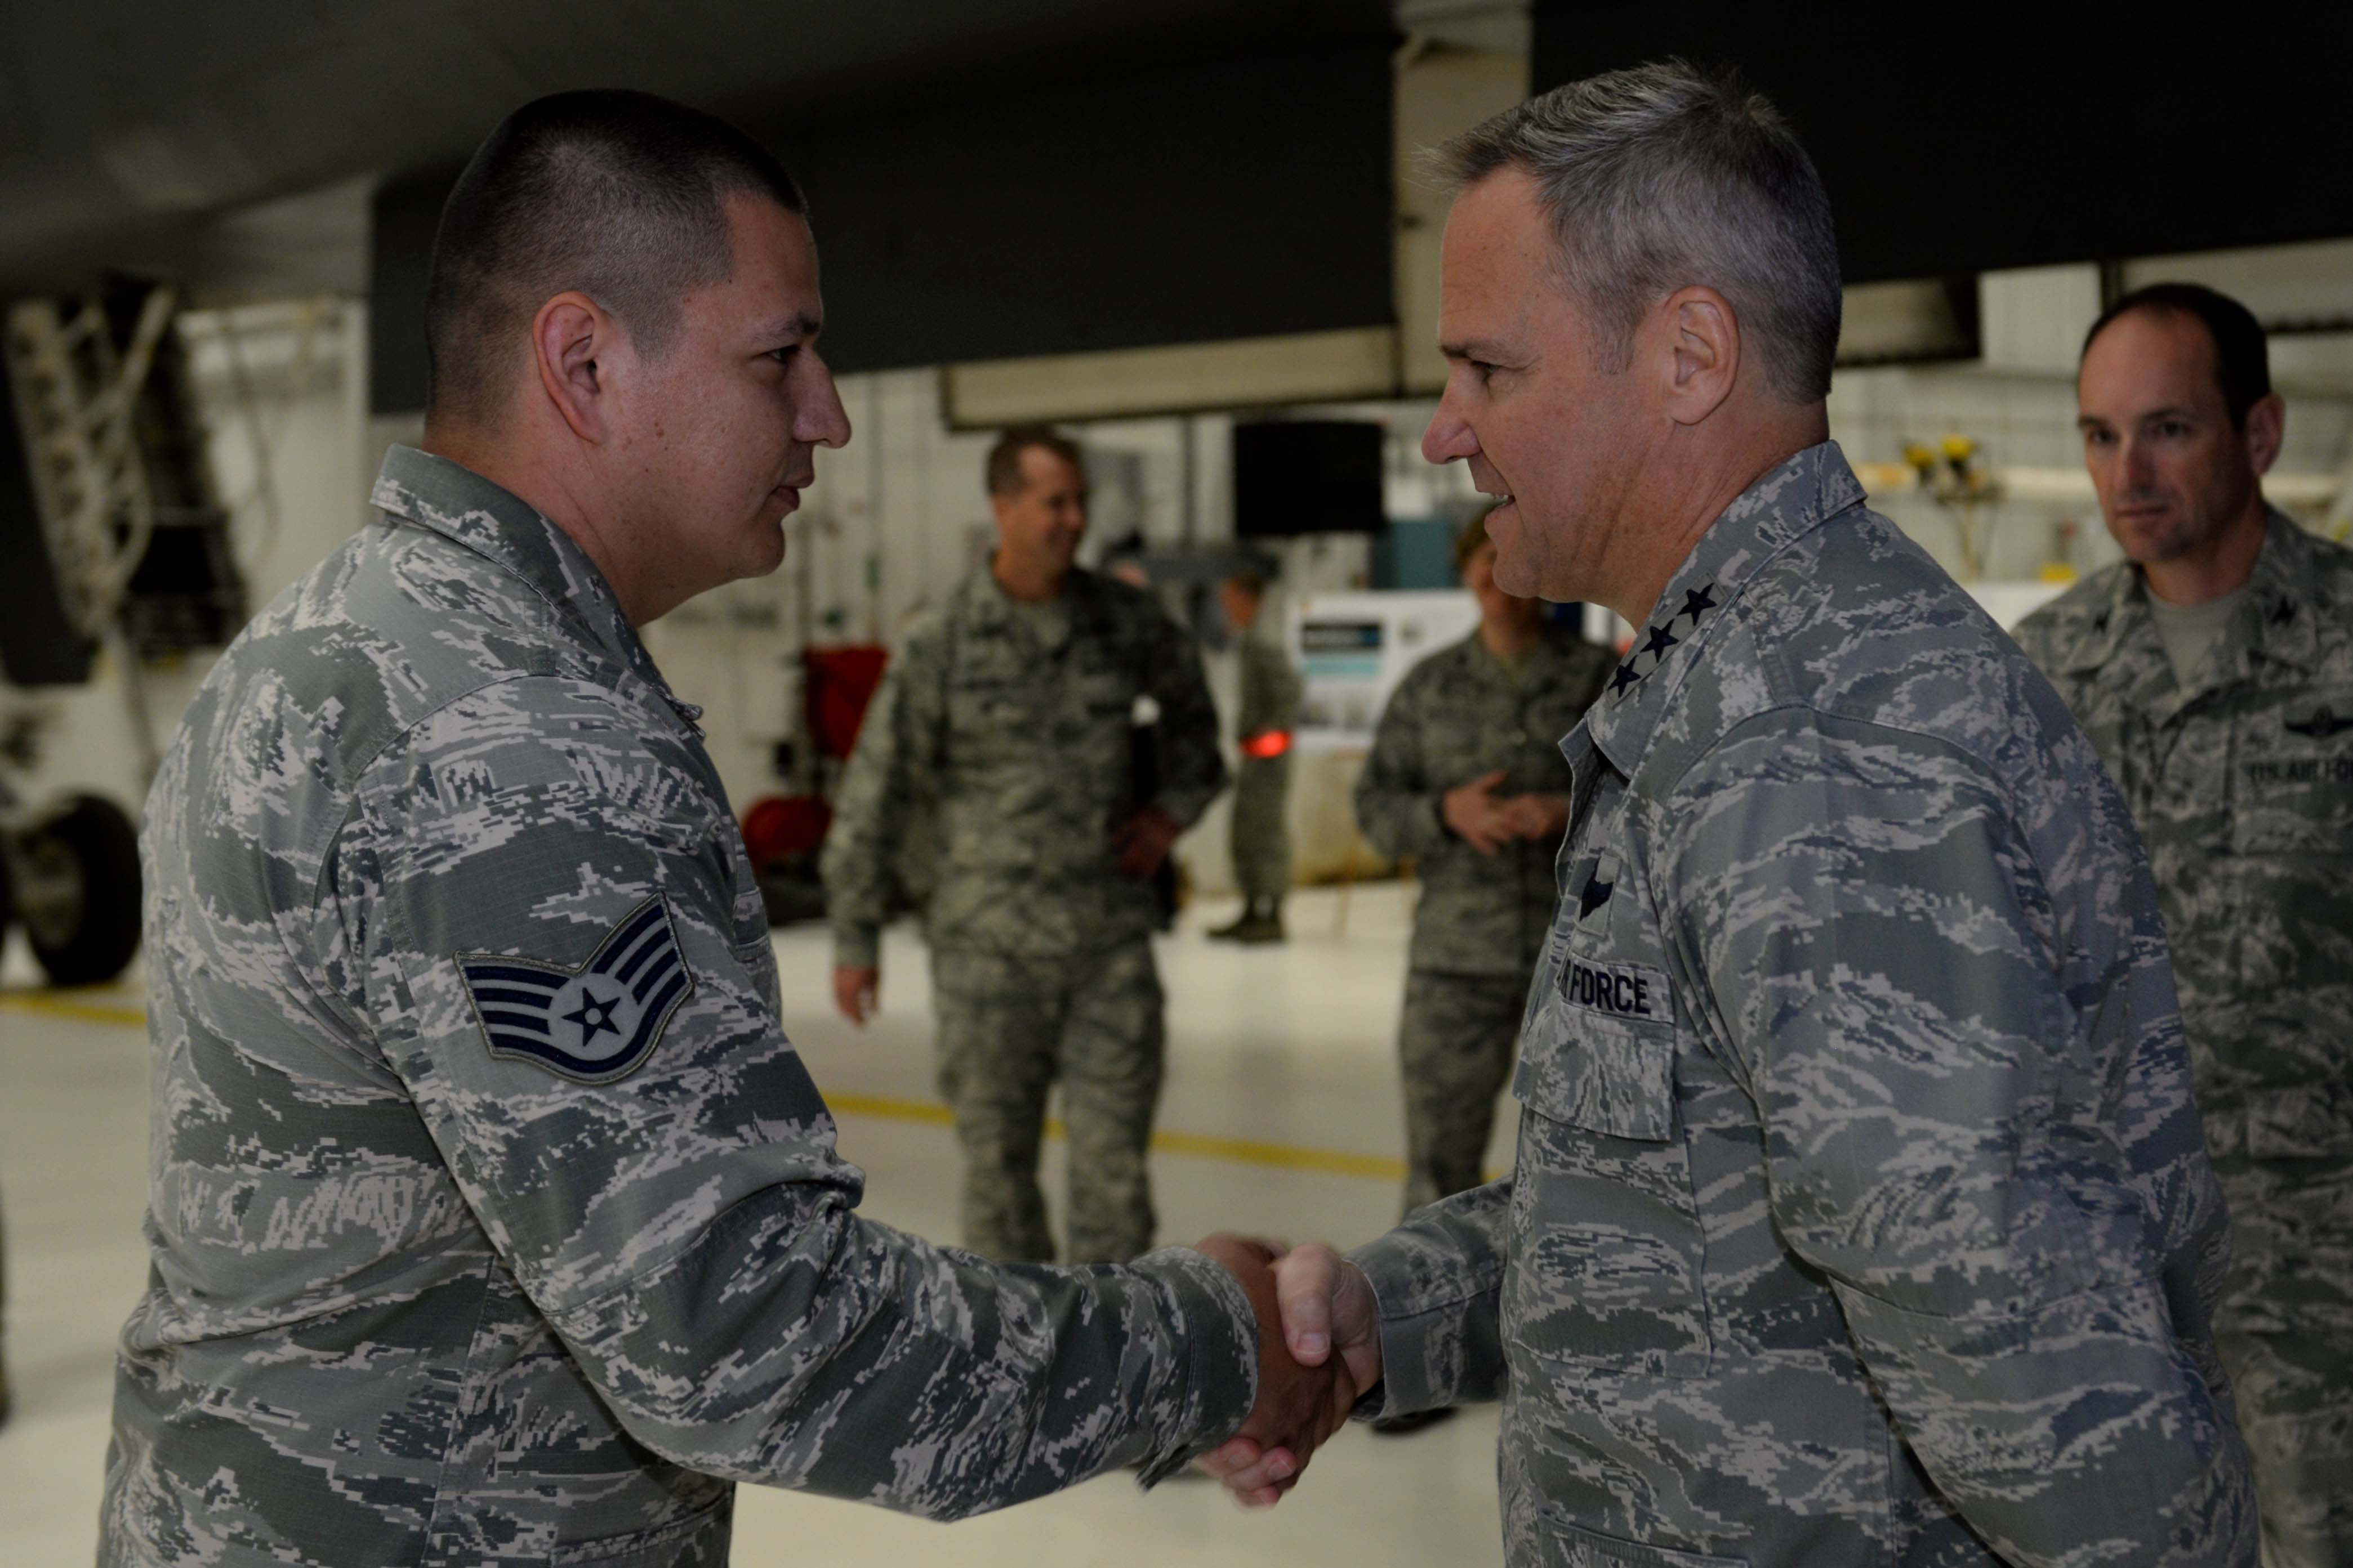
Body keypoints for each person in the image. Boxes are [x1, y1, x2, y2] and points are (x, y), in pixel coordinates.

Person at [99, 92, 1348, 1568]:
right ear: (583, 364)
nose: (823, 411)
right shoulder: (514, 739)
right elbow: (741, 1333)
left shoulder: (315, 648)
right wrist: (1200, 1346)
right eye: (782, 355)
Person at [1204, 62, 2257, 1566]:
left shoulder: (1812, 745)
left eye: (1486, 371)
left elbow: (2040, 1385)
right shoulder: (1735, 684)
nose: (1445, 432)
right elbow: (1697, 1206)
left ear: (1688, 353)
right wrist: (1394, 1313)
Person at [2012, 283, 2353, 1567]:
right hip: (2105, 1261)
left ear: (2256, 434)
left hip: (2317, 1268)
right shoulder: (2040, 671)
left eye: (2163, 429)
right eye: (2098, 436)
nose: (2125, 473)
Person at [823, 427, 1225, 1265]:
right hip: (985, 955)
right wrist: (855, 933)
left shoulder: (1125, 622)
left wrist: (1167, 815)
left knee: (1113, 1181)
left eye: (1079, 501)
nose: (1075, 520)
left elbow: (1199, 732)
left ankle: (1121, 1375)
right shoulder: (943, 639)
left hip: (1105, 945)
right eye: (1054, 502)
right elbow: (878, 785)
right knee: (999, 1179)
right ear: (1002, 507)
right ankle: (1028, 1377)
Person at [1353, 524, 1611, 1216]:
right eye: (1481, 558)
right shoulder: (1429, 687)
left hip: (1574, 963)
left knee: (1591, 1169)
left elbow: (1651, 793)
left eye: (1509, 556)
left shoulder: (1594, 677)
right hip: (1455, 966)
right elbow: (1375, 809)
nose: (1496, 574)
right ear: (1464, 572)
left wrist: (1567, 811)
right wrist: (1446, 813)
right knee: (1440, 1168)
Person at [1208, 571, 1302, 944]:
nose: (1224, 606)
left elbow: (1288, 696)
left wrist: (1270, 740)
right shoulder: (1248, 640)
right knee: (1246, 832)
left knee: (1267, 833)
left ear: (1245, 597)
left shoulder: (1264, 642)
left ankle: (1272, 913)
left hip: (1269, 757)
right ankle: (1251, 907)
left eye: (1228, 597)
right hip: (1254, 755)